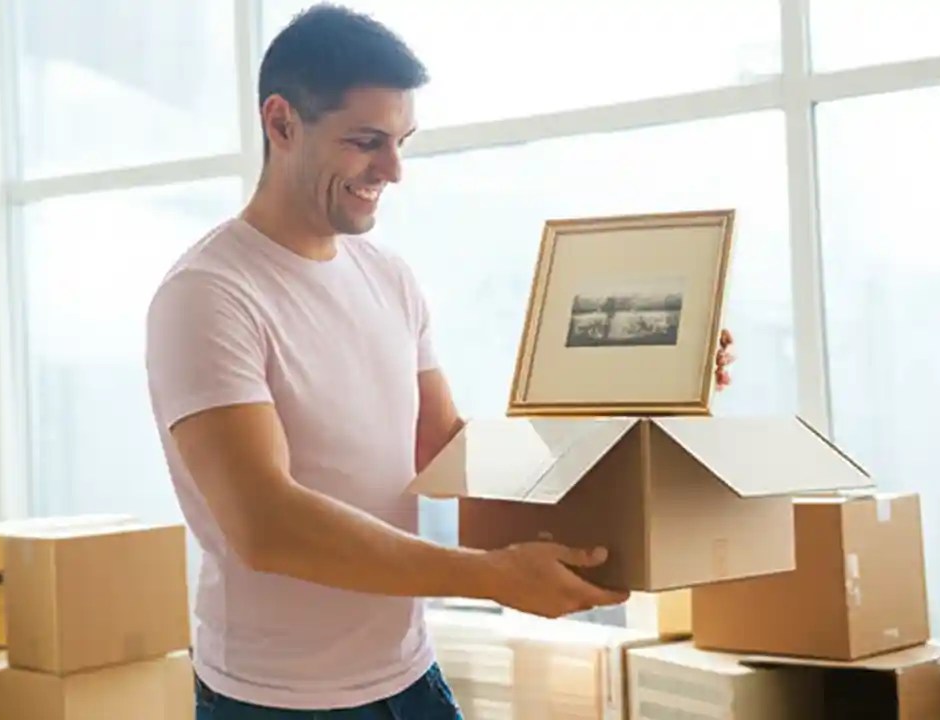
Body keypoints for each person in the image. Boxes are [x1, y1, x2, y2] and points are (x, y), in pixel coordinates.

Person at [145, 4, 736, 718]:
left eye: (402, 141)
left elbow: (449, 448)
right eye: (366, 142)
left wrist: (651, 382)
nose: (392, 169)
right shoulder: (207, 296)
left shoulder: (387, 276)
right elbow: (266, 524)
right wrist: (490, 577)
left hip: (407, 677)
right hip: (275, 702)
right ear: (281, 123)